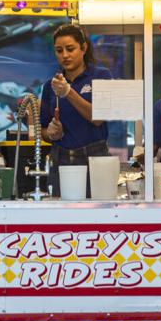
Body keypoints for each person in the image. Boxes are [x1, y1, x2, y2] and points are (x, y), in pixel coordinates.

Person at [39, 24, 112, 197]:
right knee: (60, 213)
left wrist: (68, 92)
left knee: (97, 212)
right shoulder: (50, 86)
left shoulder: (102, 76)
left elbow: (99, 118)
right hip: (61, 158)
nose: (65, 55)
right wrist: (51, 133)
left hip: (94, 157)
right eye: (59, 50)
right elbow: (42, 130)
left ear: (84, 47)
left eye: (70, 49)